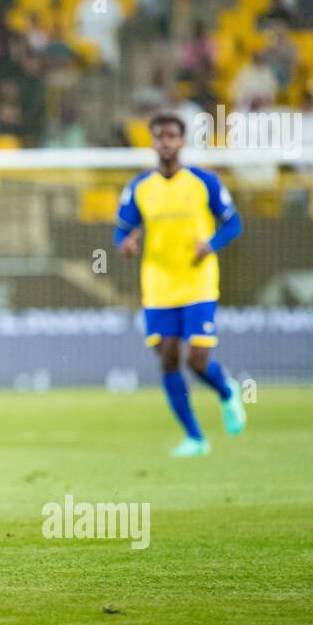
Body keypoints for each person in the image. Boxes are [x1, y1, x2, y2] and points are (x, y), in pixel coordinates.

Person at [115, 113, 247, 457]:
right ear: (153, 142)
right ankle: (195, 438)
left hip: (198, 281)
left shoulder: (205, 182)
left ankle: (226, 392)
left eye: (172, 136)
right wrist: (124, 244)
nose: (165, 142)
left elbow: (233, 224)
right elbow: (121, 229)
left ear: (182, 141)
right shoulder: (140, 187)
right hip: (158, 284)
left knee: (197, 361)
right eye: (159, 136)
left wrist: (211, 245)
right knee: (169, 360)